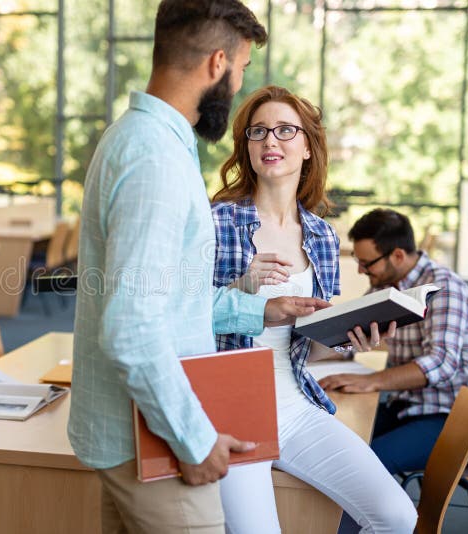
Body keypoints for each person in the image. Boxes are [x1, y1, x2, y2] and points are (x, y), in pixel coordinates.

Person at [68, 2, 333, 532]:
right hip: (154, 436)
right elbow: (132, 330)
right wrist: (195, 439)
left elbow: (168, 297)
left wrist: (259, 310)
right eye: (240, 72)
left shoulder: (142, 139)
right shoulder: (155, 160)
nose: (237, 87)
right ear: (218, 64)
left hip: (135, 428)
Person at [210, 85, 416, 533]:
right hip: (230, 408)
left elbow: (310, 347)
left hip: (297, 403)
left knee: (398, 516)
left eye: (285, 130)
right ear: (245, 146)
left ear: (307, 146)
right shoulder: (216, 221)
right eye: (258, 131)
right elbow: (179, 316)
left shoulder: (322, 237)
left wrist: (351, 342)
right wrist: (245, 290)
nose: (270, 141)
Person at [319, 208, 468, 475]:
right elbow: (351, 339)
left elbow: (441, 363)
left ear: (398, 255)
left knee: (364, 464)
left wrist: (371, 380)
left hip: (453, 418)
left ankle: (361, 518)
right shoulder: (384, 286)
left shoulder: (444, 288)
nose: (360, 270)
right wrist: (316, 347)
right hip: (406, 407)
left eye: (367, 263)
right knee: (333, 441)